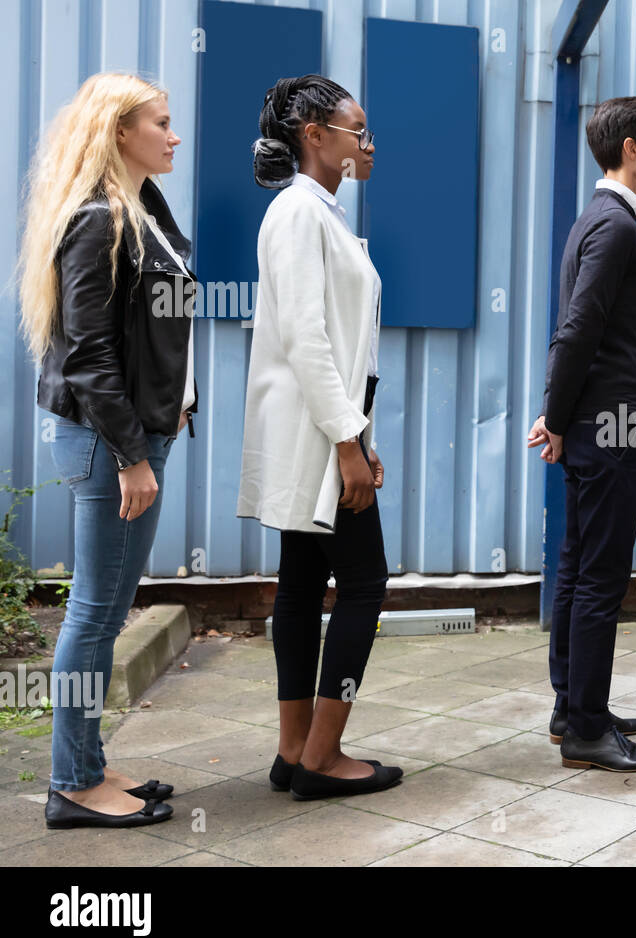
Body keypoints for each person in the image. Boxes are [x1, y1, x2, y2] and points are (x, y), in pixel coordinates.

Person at [20, 73, 196, 828]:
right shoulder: (98, 220)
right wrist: (132, 454)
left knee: (106, 609)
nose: (173, 134)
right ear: (120, 132)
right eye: (160, 121)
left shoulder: (143, 210)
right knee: (93, 615)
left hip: (135, 433)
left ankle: (87, 763)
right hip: (109, 443)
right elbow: (88, 352)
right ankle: (71, 784)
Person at [237, 74, 400, 800]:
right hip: (318, 431)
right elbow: (307, 338)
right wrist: (346, 442)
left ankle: (294, 749)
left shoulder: (314, 212)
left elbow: (335, 341)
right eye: (356, 129)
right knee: (365, 582)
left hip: (327, 425)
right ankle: (324, 758)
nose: (366, 142)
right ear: (315, 135)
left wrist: (357, 433)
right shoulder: (300, 214)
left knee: (302, 583)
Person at [526, 96, 636, 773]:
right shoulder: (615, 227)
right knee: (599, 580)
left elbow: (576, 330)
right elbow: (579, 329)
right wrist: (555, 417)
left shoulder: (593, 220)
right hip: (607, 431)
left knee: (577, 570)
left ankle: (573, 709)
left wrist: (557, 416)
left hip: (588, 427)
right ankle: (586, 729)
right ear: (630, 152)